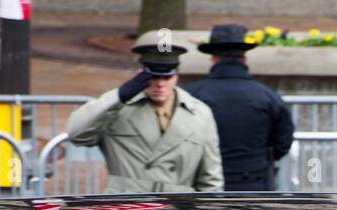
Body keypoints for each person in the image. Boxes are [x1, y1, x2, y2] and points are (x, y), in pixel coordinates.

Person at [66, 40, 224, 193]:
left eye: (167, 77)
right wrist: (119, 96)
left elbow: (210, 178)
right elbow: (76, 133)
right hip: (127, 208)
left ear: (176, 76)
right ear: (140, 74)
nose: (160, 84)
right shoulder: (118, 107)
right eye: (154, 77)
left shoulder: (200, 113)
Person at [187, 24, 296, 191]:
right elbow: (282, 142)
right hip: (255, 181)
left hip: (203, 182)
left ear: (214, 59)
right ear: (244, 58)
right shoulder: (268, 97)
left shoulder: (193, 95)